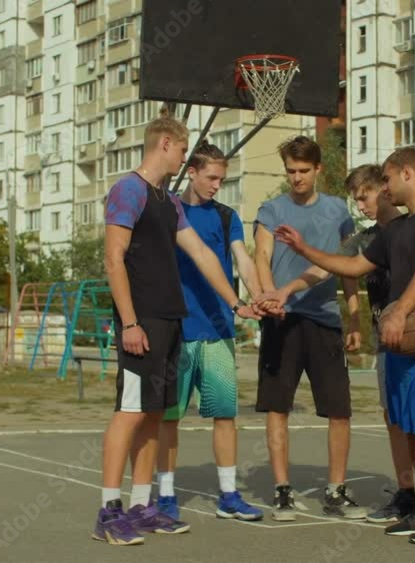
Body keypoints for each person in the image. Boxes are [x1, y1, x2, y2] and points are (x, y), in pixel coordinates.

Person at [274, 147, 415, 545]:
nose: (382, 188)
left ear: (406, 173)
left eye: (385, 179)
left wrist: (400, 310)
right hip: (398, 343)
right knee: (412, 430)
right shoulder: (396, 231)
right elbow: (352, 266)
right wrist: (303, 250)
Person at [93, 117, 260, 546]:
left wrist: (237, 303)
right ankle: (109, 513)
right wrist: (129, 322)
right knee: (129, 413)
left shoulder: (169, 202)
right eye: (183, 150)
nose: (185, 158)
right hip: (142, 321)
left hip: (171, 323)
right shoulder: (127, 189)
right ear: (165, 144)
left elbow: (203, 255)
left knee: (153, 415)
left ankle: (142, 507)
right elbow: (114, 258)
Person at [259, 164, 415, 523]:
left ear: (386, 189)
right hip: (386, 340)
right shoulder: (367, 239)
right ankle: (408, 494)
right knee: (393, 416)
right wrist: (284, 289)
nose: (360, 207)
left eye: (365, 198)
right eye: (356, 200)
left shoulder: (414, 227)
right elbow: (328, 267)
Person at [252, 136, 367, 522]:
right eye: (290, 171)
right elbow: (262, 255)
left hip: (325, 321)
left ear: (318, 170)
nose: (296, 178)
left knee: (339, 410)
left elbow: (347, 266)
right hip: (282, 320)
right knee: (277, 407)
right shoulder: (271, 209)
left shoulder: (338, 210)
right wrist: (270, 296)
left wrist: (354, 316)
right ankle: (282, 490)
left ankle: (336, 490)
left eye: (303, 171)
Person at [153, 141, 265, 522]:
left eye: (223, 179)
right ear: (193, 172)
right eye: (212, 177)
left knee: (224, 415)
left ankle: (229, 495)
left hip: (218, 329)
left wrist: (260, 296)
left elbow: (243, 260)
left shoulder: (226, 216)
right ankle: (165, 495)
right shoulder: (168, 209)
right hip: (176, 330)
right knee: (169, 417)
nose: (218, 185)